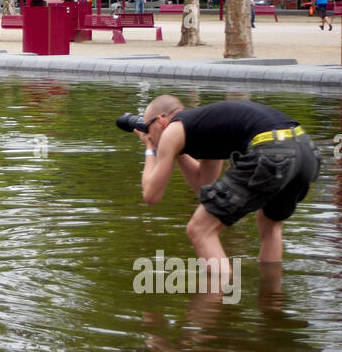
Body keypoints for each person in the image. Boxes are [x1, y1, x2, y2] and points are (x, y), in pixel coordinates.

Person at [135, 95, 320, 266]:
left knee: (200, 230)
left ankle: (215, 297)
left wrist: (150, 147)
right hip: (305, 149)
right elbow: (204, 188)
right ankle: (271, 297)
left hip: (272, 149)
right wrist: (177, 153)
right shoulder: (208, 126)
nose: (148, 134)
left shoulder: (173, 130)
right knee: (270, 225)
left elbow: (152, 195)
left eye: (147, 128)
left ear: (160, 120)